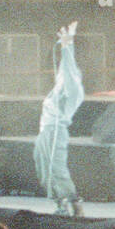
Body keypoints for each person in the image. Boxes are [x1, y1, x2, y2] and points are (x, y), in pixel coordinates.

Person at [35, 22, 84, 216]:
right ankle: (59, 201)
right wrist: (67, 43)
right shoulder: (59, 86)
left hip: (56, 130)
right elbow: (66, 69)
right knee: (43, 167)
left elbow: (69, 68)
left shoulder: (73, 89)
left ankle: (72, 201)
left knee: (57, 169)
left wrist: (67, 45)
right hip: (45, 130)